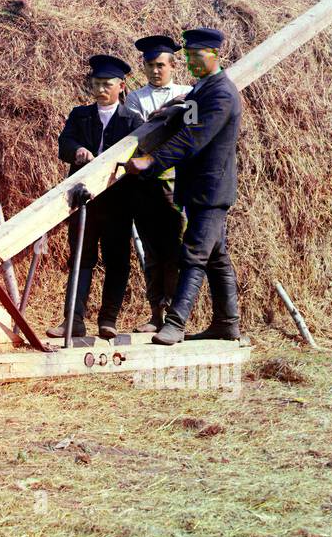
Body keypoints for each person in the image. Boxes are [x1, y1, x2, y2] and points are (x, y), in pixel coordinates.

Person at [115, 27, 242, 346]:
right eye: (191, 57)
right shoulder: (203, 88)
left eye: (199, 57)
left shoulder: (222, 92)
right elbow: (191, 112)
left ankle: (174, 323)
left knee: (195, 253)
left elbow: (193, 138)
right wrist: (176, 108)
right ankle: (227, 323)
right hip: (197, 187)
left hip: (211, 190)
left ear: (216, 56)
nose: (194, 62)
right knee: (216, 256)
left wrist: (151, 161)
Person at [47, 54, 136, 341]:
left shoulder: (132, 121)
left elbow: (140, 155)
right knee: (81, 258)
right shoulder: (79, 115)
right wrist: (77, 151)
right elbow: (64, 144)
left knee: (117, 259)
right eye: (96, 84)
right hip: (84, 202)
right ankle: (73, 319)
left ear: (121, 86)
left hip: (118, 201)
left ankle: (108, 319)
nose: (100, 90)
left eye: (107, 84)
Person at [118, 35, 191, 332]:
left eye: (160, 65)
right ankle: (155, 315)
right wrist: (161, 118)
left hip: (175, 183)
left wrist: (175, 110)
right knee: (152, 251)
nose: (155, 71)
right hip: (145, 183)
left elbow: (194, 131)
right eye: (149, 66)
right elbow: (139, 137)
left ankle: (176, 316)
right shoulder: (135, 99)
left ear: (172, 66)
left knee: (176, 249)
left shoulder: (189, 93)